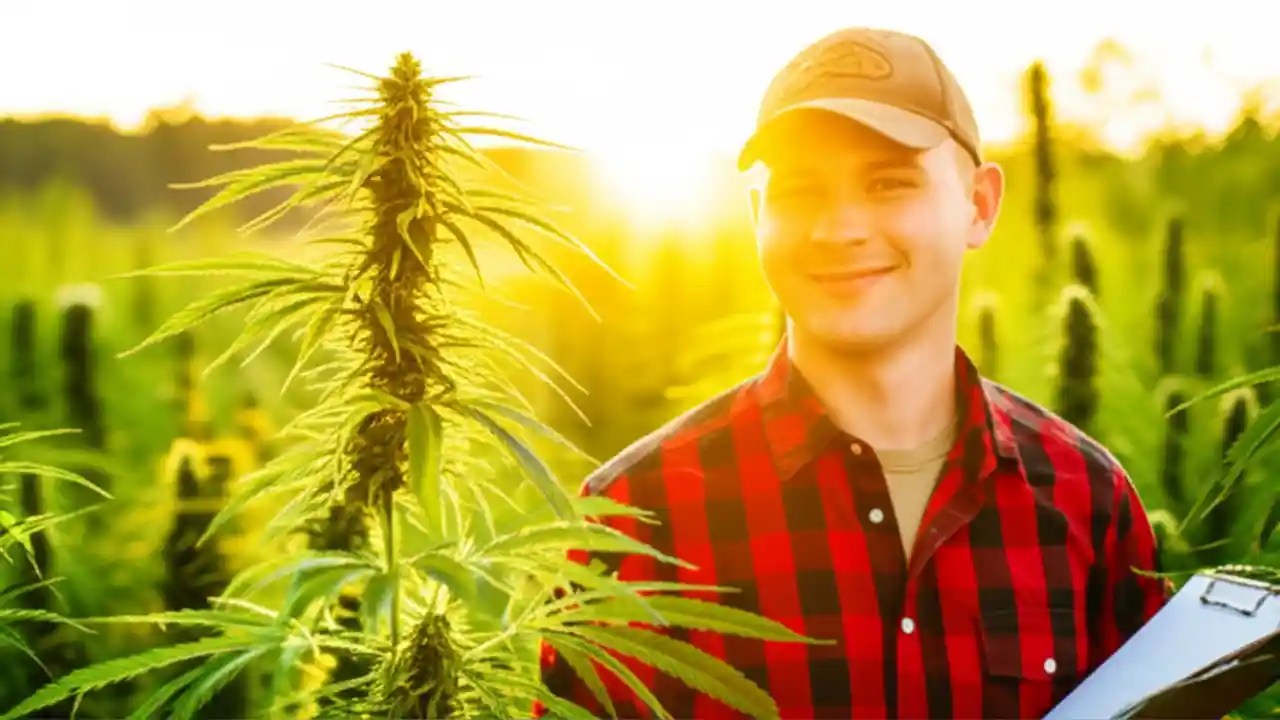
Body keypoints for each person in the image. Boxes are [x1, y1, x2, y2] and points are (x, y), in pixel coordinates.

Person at [535, 26, 1170, 719]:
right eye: (801, 191)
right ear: (756, 217)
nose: (839, 228)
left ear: (979, 206)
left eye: (888, 182)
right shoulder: (639, 516)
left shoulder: (1088, 499)